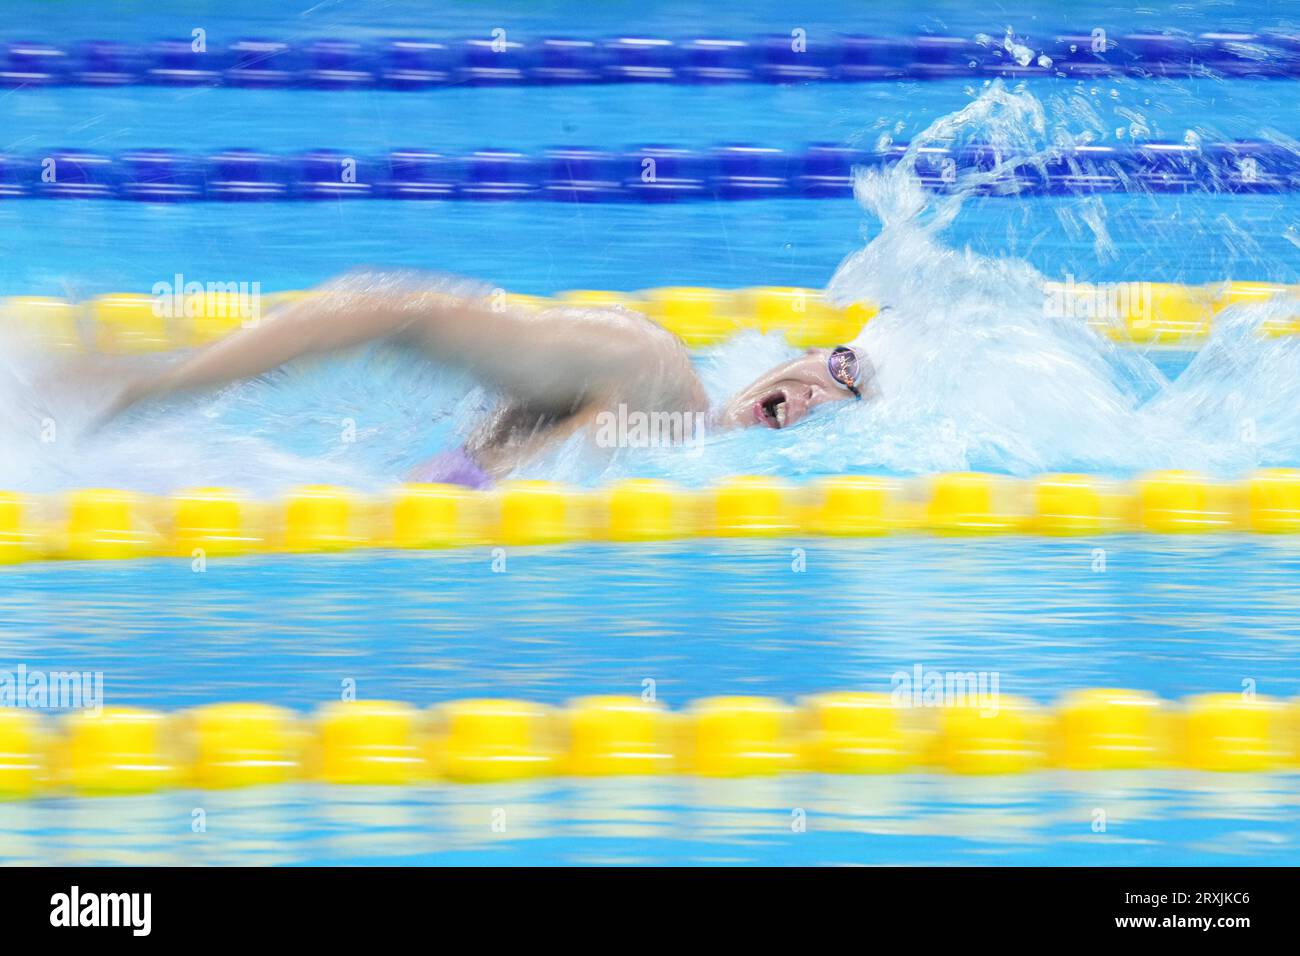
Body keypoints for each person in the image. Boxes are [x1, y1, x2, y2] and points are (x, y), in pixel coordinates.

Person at [103, 271, 876, 486]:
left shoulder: (690, 432)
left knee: (391, 322)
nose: (812, 399)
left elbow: (559, 429)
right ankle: (142, 390)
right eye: (828, 371)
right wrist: (475, 484)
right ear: (791, 357)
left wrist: (465, 476)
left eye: (832, 407)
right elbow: (595, 424)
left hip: (536, 377)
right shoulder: (675, 391)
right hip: (415, 316)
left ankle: (140, 394)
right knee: (391, 315)